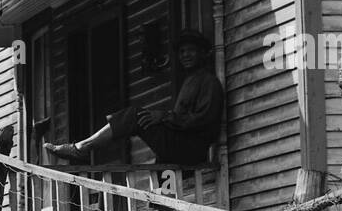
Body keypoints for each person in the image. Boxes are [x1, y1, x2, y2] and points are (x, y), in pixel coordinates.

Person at [45, 30, 223, 167]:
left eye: (191, 50)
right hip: (180, 148)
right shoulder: (190, 80)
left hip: (192, 149)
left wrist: (165, 117)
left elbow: (204, 119)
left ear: (202, 53)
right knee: (161, 175)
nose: (186, 55)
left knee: (136, 115)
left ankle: (81, 148)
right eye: (182, 51)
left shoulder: (209, 82)